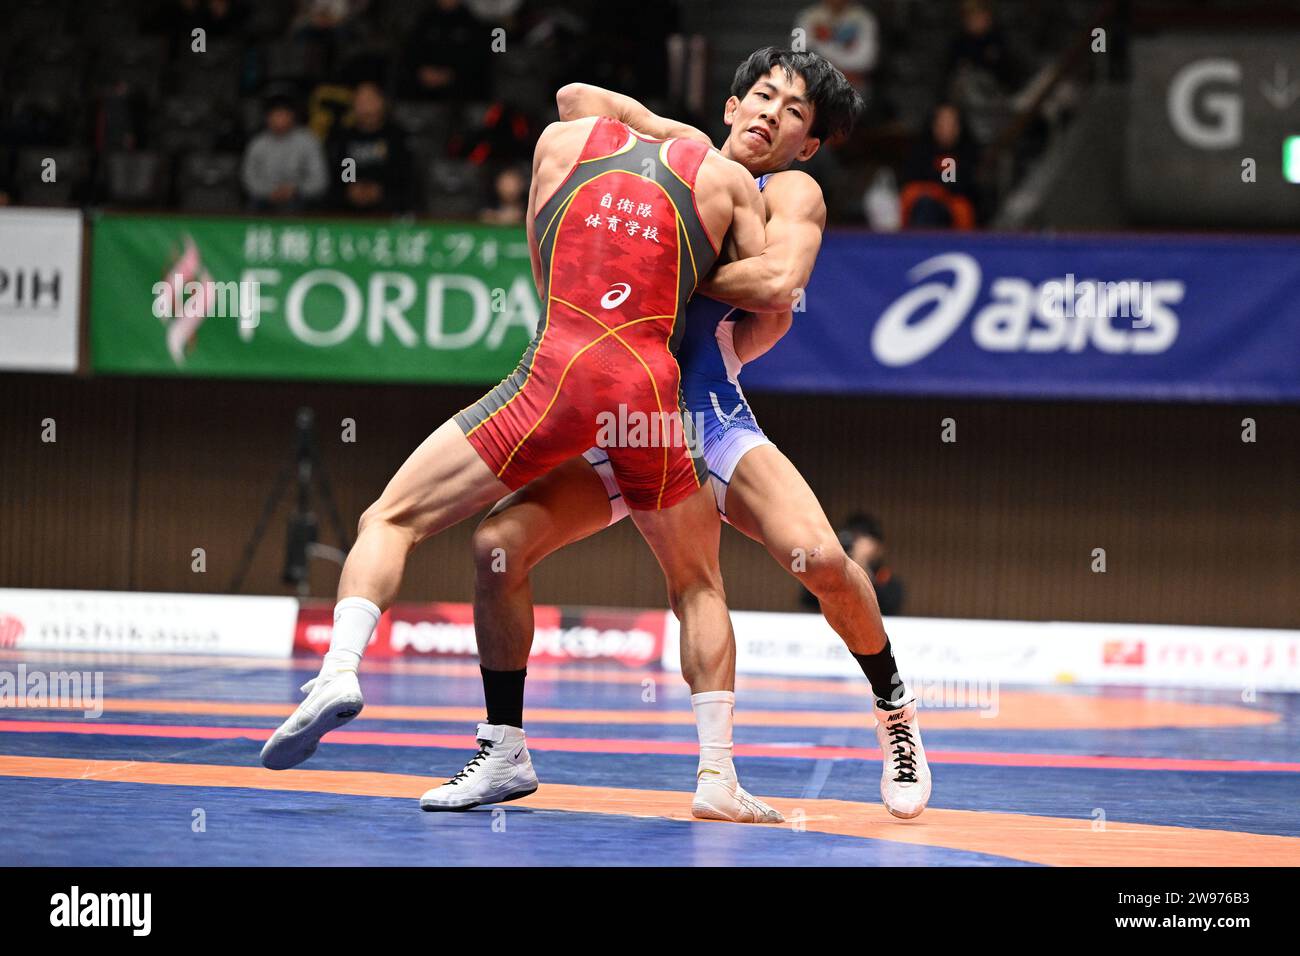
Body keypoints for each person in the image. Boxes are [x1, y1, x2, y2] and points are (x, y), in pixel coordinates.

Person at [423, 48, 932, 822]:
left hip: (703, 414)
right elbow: (575, 95)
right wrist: (664, 132)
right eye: (760, 96)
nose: (770, 115)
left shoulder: (790, 190)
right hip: (616, 416)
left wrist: (660, 259)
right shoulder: (679, 158)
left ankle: (894, 707)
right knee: (499, 546)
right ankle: (504, 750)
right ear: (730, 107)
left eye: (793, 113)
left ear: (810, 144)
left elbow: (778, 283)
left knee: (822, 557)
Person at [260, 106, 772, 823]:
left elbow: (545, 264)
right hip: (650, 391)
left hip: (558, 368)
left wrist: (572, 332)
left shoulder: (561, 141)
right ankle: (711, 773)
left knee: (393, 516)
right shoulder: (724, 182)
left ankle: (339, 670)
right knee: (693, 582)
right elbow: (776, 297)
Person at [328, 81, 412, 213]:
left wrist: (379, 189)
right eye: (359, 101)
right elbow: (345, 168)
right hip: (351, 203)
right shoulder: (346, 136)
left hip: (389, 201)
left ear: (382, 102)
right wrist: (353, 187)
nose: (365, 106)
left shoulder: (396, 135)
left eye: (369, 100)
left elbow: (402, 172)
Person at [801, 513, 905, 615]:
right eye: (852, 536)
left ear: (878, 547)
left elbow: (888, 607)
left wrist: (860, 565)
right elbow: (808, 599)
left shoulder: (887, 579)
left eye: (861, 537)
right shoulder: (832, 571)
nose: (854, 544)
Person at [240, 95, 328, 211]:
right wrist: (270, 192)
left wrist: (295, 190)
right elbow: (248, 179)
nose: (279, 119)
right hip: (265, 199)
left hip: (300, 198)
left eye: (283, 114)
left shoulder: (308, 140)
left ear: (292, 116)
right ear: (267, 117)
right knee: (254, 204)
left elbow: (320, 180)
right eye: (275, 114)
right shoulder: (257, 143)